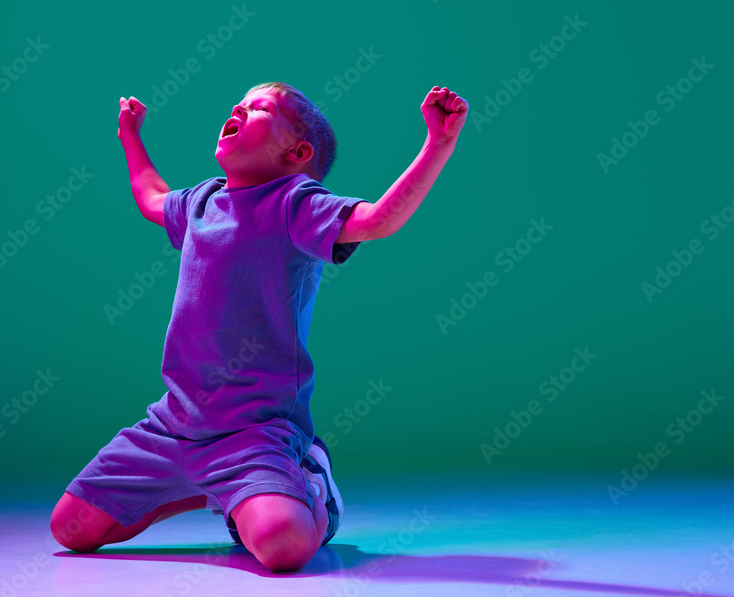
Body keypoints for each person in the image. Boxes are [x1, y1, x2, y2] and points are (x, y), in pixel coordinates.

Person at [51, 81, 468, 572]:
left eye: (260, 108)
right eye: (240, 103)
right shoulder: (202, 201)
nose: (239, 108)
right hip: (172, 426)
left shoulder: (296, 203)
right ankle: (219, 494)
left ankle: (309, 483)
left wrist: (438, 143)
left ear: (297, 153)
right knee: (70, 530)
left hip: (253, 433)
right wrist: (130, 136)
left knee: (282, 548)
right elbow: (151, 196)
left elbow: (378, 219)